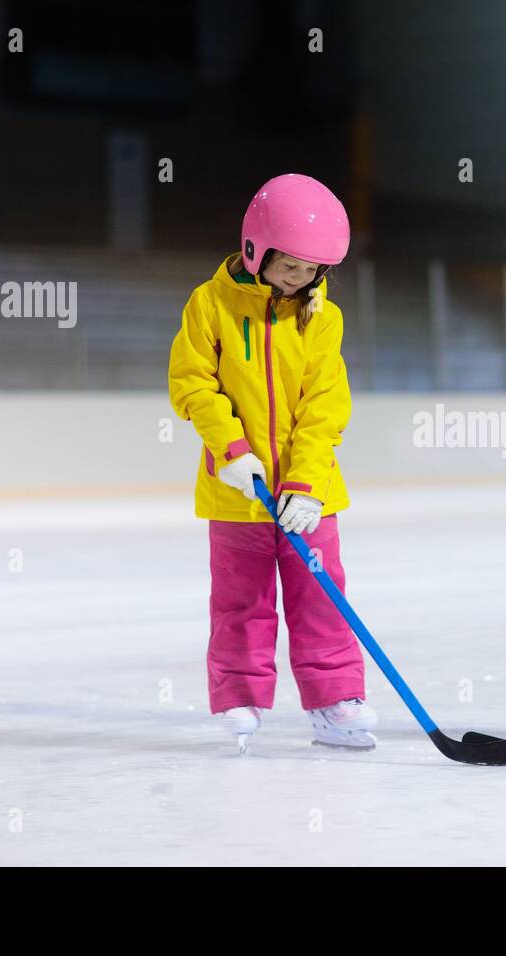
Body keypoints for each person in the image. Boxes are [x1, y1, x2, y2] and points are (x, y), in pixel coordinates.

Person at [168, 173, 376, 753]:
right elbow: (191, 385)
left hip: (310, 497)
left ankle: (335, 703)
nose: (303, 278)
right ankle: (239, 698)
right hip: (236, 493)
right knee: (240, 602)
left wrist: (307, 484)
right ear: (257, 247)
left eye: (314, 269)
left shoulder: (321, 319)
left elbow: (325, 406)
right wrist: (230, 451)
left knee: (322, 598)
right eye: (292, 265)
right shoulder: (208, 305)